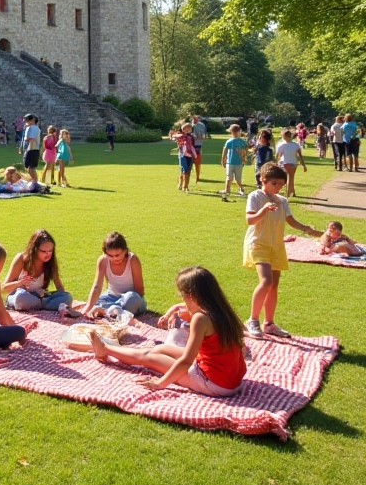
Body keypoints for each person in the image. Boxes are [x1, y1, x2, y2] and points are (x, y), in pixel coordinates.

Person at [87, 266, 246, 396]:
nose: (183, 302)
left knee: (148, 357)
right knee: (159, 349)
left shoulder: (201, 319)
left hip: (214, 384)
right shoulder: (223, 311)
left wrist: (159, 383)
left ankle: (105, 349)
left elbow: (186, 361)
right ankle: (110, 349)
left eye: (183, 297)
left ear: (191, 296)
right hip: (232, 380)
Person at [243, 162, 322, 340]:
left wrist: (307, 229)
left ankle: (269, 324)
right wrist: (263, 210)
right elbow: (250, 220)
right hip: (259, 243)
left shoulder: (282, 201)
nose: (278, 188)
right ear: (263, 180)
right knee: (266, 281)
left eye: (281, 185)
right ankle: (253, 320)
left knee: (274, 285)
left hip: (276, 246)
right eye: (274, 184)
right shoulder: (255, 196)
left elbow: (290, 220)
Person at [2, 229, 74, 313]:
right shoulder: (21, 259)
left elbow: (59, 287)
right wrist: (20, 283)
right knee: (21, 298)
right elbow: (4, 288)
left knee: (68, 297)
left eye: (50, 251)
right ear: (34, 249)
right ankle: (41, 305)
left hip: (41, 297)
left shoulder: (50, 263)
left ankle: (38, 305)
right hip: (21, 296)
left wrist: (63, 300)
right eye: (44, 251)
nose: (48, 254)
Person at [81, 232, 146, 317]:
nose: (114, 259)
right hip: (111, 296)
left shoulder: (133, 260)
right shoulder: (103, 261)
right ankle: (112, 311)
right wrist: (87, 308)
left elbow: (140, 290)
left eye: (117, 255)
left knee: (132, 299)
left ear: (125, 250)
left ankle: (110, 310)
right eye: (110, 256)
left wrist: (122, 301)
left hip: (130, 299)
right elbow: (97, 287)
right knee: (93, 301)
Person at [220, 124, 250, 200]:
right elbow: (225, 151)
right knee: (229, 177)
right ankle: (227, 191)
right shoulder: (229, 141)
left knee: (238, 178)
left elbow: (245, 151)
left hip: (239, 163)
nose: (235, 133)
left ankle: (241, 189)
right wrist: (223, 160)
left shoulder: (242, 141)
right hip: (230, 162)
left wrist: (244, 159)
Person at [276, 128, 303, 196]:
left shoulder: (282, 145)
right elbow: (299, 155)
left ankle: (290, 192)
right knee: (291, 178)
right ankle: (290, 192)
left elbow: (279, 155)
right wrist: (303, 163)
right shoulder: (295, 145)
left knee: (290, 178)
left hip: (287, 162)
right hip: (291, 163)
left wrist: (276, 161)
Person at [173, 123, 199, 191]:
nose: (187, 130)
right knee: (183, 171)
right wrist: (181, 135)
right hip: (182, 155)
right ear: (183, 129)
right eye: (185, 128)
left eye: (189, 129)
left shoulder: (191, 136)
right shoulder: (180, 135)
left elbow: (193, 145)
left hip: (190, 155)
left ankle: (186, 186)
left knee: (188, 171)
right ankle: (180, 184)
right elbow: (173, 136)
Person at [190, 115, 209, 182]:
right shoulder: (191, 125)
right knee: (190, 161)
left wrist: (196, 136)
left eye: (195, 119)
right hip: (190, 145)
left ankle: (197, 177)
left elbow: (203, 136)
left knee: (197, 162)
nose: (193, 120)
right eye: (192, 119)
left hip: (197, 145)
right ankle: (189, 176)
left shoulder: (200, 125)